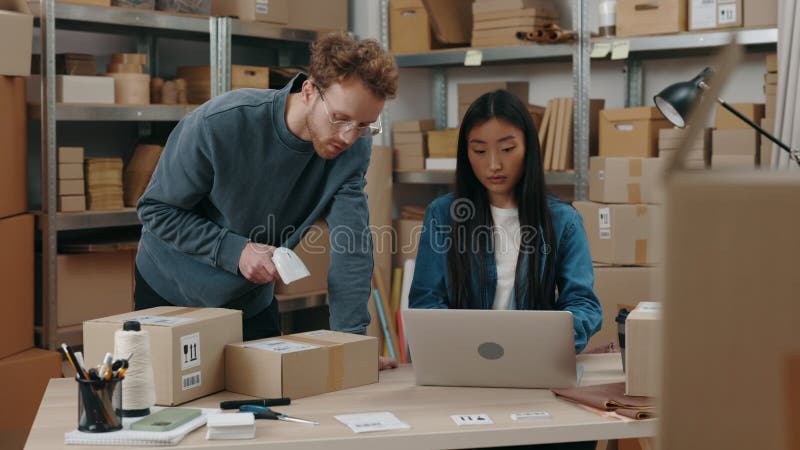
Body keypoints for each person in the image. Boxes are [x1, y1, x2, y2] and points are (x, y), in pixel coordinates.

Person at [135, 33, 399, 369]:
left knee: (267, 410)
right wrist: (236, 250)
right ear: (308, 90)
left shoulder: (352, 150)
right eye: (340, 118)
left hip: (249, 302)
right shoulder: (222, 123)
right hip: (171, 292)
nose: (348, 136)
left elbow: (352, 247)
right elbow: (156, 210)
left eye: (364, 126)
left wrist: (352, 346)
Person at [409, 89, 602, 356]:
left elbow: (582, 303)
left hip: (535, 361)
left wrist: (551, 340)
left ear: (528, 148)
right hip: (463, 364)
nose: (494, 164)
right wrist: (462, 344)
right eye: (479, 150)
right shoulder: (443, 215)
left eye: (507, 149)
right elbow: (426, 301)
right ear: (466, 154)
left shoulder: (563, 221)